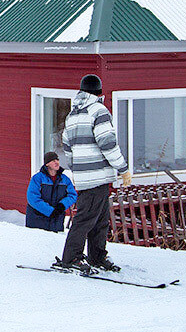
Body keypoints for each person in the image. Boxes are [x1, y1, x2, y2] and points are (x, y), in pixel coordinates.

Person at [56, 74, 131, 271]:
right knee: (86, 219)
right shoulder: (99, 111)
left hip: (86, 176)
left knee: (99, 219)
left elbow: (67, 147)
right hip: (97, 174)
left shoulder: (72, 115)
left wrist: (78, 169)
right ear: (99, 92)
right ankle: (71, 258)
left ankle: (97, 257)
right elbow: (107, 143)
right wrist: (123, 168)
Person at [26, 151, 77, 232]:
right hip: (37, 220)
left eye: (57, 160)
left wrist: (62, 205)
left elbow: (72, 195)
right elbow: (32, 198)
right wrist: (50, 211)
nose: (56, 162)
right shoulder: (37, 178)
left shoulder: (65, 179)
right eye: (53, 161)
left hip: (56, 221)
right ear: (47, 164)